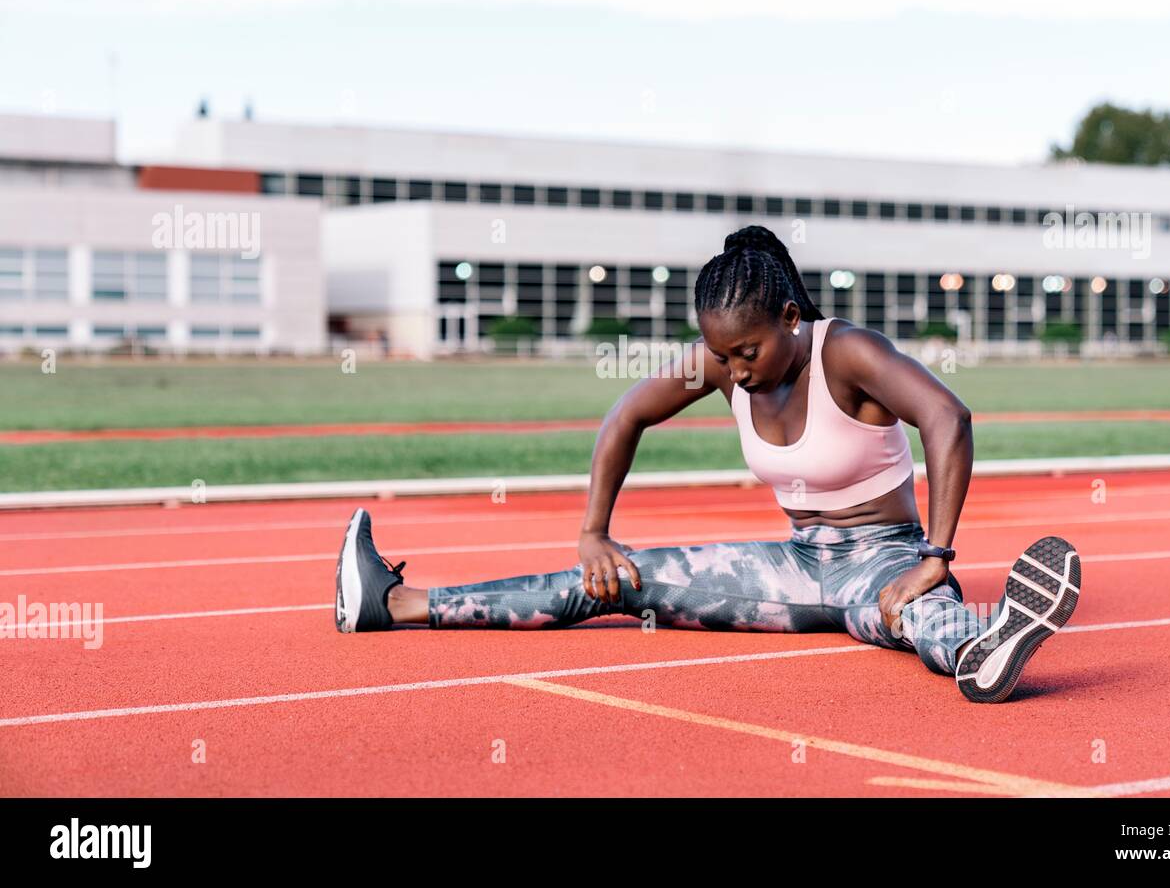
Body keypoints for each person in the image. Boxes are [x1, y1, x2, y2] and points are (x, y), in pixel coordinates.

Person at [334, 225, 1082, 703]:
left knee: (912, 611)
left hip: (880, 560)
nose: (734, 369)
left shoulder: (844, 351)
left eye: (746, 351)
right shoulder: (721, 366)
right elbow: (626, 414)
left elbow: (948, 418)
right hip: (792, 566)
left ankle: (980, 647)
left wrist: (934, 554)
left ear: (791, 318)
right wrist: (595, 530)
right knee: (615, 581)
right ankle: (395, 602)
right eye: (720, 353)